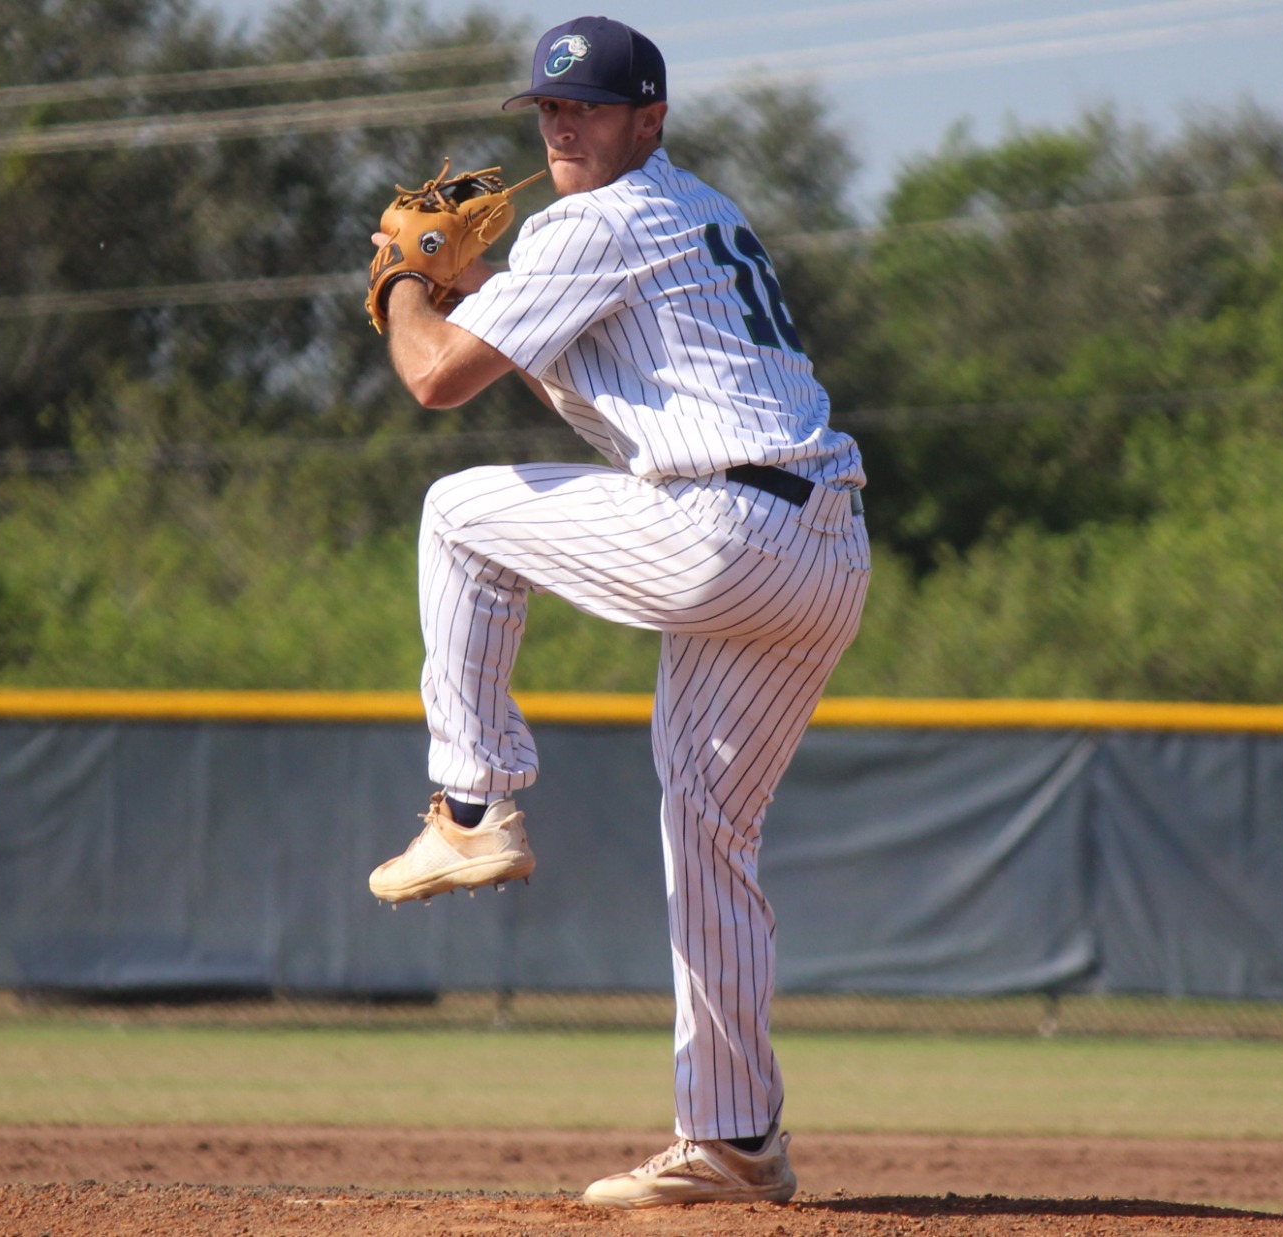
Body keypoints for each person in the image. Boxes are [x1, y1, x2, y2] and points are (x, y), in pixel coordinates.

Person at [365, 15, 870, 1209]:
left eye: (587, 107)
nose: (562, 126)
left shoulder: (596, 217)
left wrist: (400, 281)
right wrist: (479, 284)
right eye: (547, 110)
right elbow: (595, 379)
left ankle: (473, 802)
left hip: (730, 534)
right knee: (706, 828)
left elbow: (436, 375)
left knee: (454, 511)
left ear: (649, 118)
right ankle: (735, 1138)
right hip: (823, 550)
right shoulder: (698, 211)